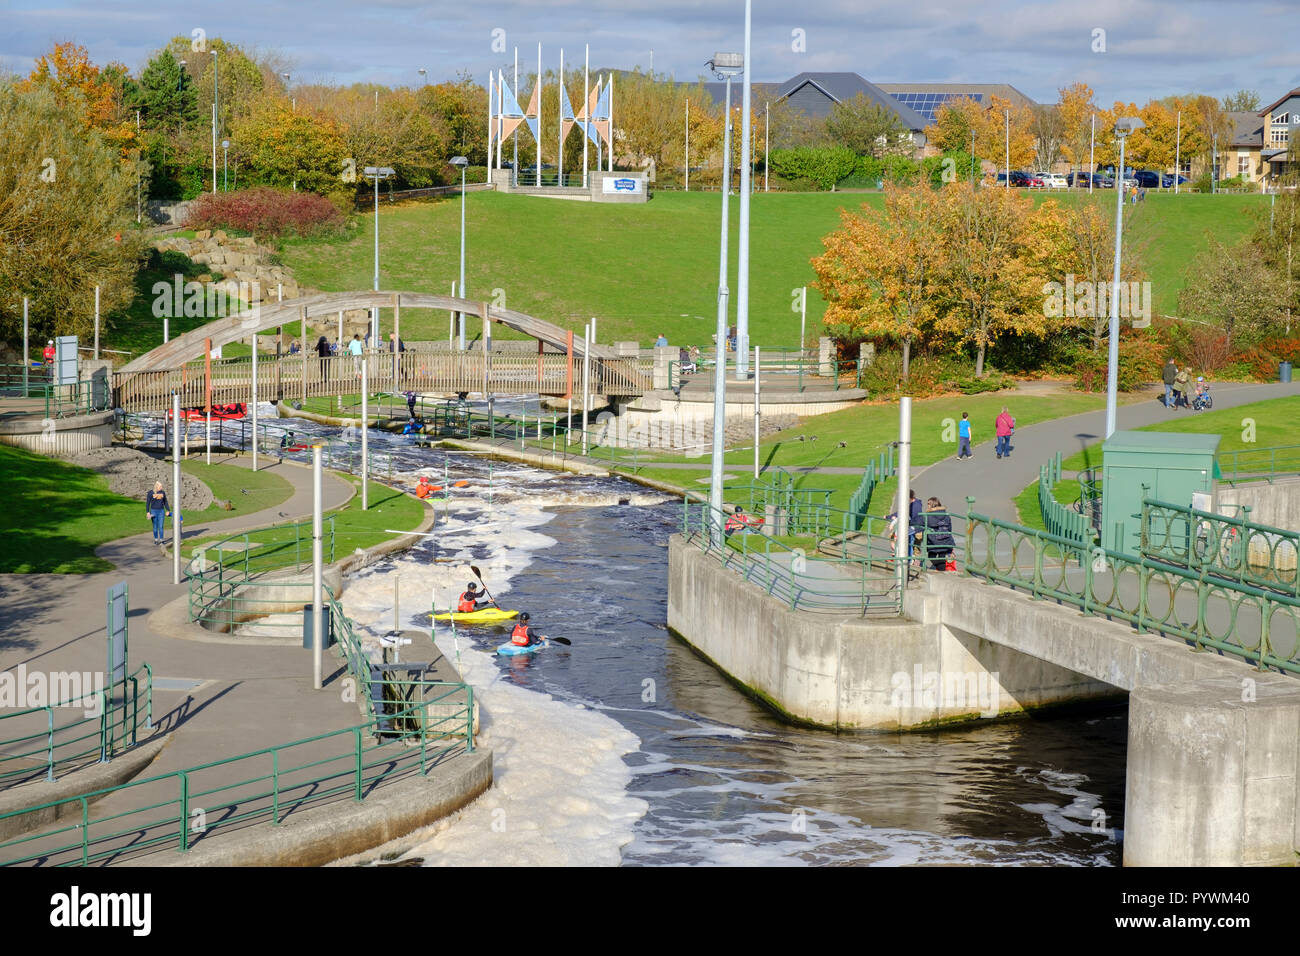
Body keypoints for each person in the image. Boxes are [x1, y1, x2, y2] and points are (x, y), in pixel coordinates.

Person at [916, 497, 955, 571]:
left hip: (934, 541)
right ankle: (941, 569)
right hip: (946, 540)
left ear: (932, 505)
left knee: (931, 555)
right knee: (942, 556)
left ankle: (941, 570)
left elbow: (919, 522)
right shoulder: (946, 514)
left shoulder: (928, 516)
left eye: (928, 504)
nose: (927, 505)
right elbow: (950, 528)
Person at [145, 481, 170, 546]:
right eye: (160, 486)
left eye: (161, 486)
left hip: (161, 511)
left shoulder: (163, 492)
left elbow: (165, 502)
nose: (161, 487)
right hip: (153, 511)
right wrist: (147, 512)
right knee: (155, 527)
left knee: (161, 526)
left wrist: (168, 510)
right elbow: (147, 503)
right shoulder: (151, 493)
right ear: (157, 486)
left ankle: (162, 540)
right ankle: (156, 539)